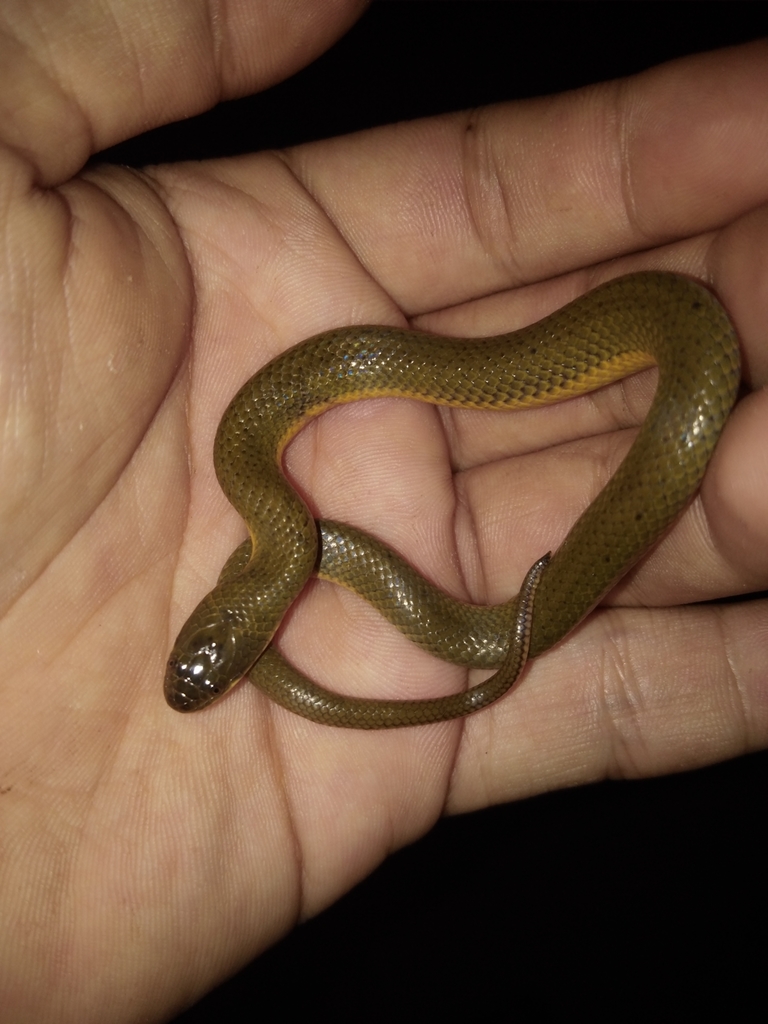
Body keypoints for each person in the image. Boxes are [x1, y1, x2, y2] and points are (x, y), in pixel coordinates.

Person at [1, 2, 766, 1020]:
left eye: (217, 656)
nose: (209, 668)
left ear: (238, 617)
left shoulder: (249, 467)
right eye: (219, 663)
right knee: (504, 626)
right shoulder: (254, 491)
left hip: (643, 347)